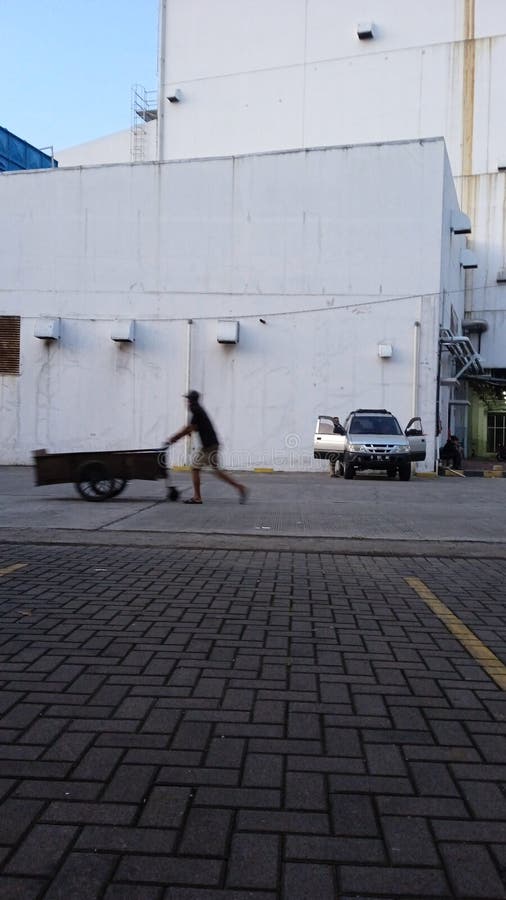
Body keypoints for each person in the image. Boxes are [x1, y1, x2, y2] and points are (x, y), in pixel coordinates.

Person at [167, 390, 248, 504]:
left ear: (191, 401)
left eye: (188, 400)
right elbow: (193, 428)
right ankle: (240, 487)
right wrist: (185, 433)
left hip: (209, 447)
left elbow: (189, 428)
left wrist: (174, 438)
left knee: (195, 468)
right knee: (217, 472)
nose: (187, 403)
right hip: (211, 445)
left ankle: (197, 498)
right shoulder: (198, 410)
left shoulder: (196, 410)